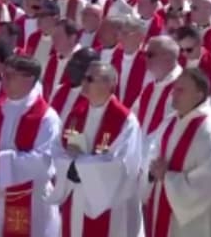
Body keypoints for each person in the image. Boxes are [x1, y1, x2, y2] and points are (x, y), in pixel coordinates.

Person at [0, 54, 60, 237]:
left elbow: (45, 160)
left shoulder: (47, 117)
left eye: (11, 76)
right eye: (4, 75)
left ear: (29, 79)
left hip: (32, 200)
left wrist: (2, 161)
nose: (4, 80)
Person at [50, 61, 145, 237]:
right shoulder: (76, 114)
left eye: (89, 79)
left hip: (107, 203)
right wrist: (69, 165)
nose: (83, 83)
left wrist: (79, 166)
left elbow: (122, 165)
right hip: (76, 196)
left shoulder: (125, 121)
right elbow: (57, 148)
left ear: (110, 84)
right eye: (83, 78)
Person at [143, 66, 211, 236]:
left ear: (199, 95)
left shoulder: (210, 132)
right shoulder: (170, 122)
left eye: (180, 90)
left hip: (193, 222)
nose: (173, 94)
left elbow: (209, 184)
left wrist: (167, 177)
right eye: (174, 89)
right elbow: (153, 154)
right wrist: (151, 170)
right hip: (162, 209)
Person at [135, 36, 183, 146]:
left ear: (168, 57)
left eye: (150, 55)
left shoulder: (183, 87)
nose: (145, 58)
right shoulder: (150, 86)